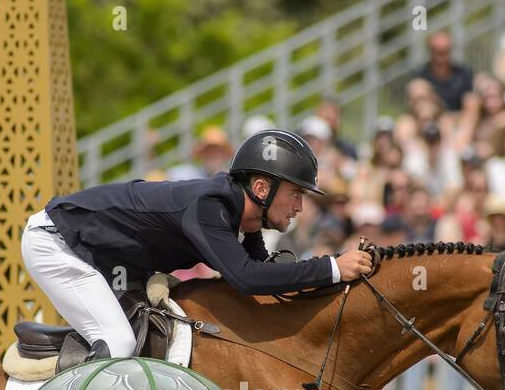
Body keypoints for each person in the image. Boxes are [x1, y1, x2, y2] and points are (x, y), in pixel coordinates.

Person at [21, 129, 374, 360]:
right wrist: (331, 267)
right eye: (296, 193)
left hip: (102, 258)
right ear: (262, 189)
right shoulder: (210, 206)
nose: (300, 206)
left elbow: (265, 276)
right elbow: (247, 278)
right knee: (119, 343)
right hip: (58, 243)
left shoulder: (241, 216)